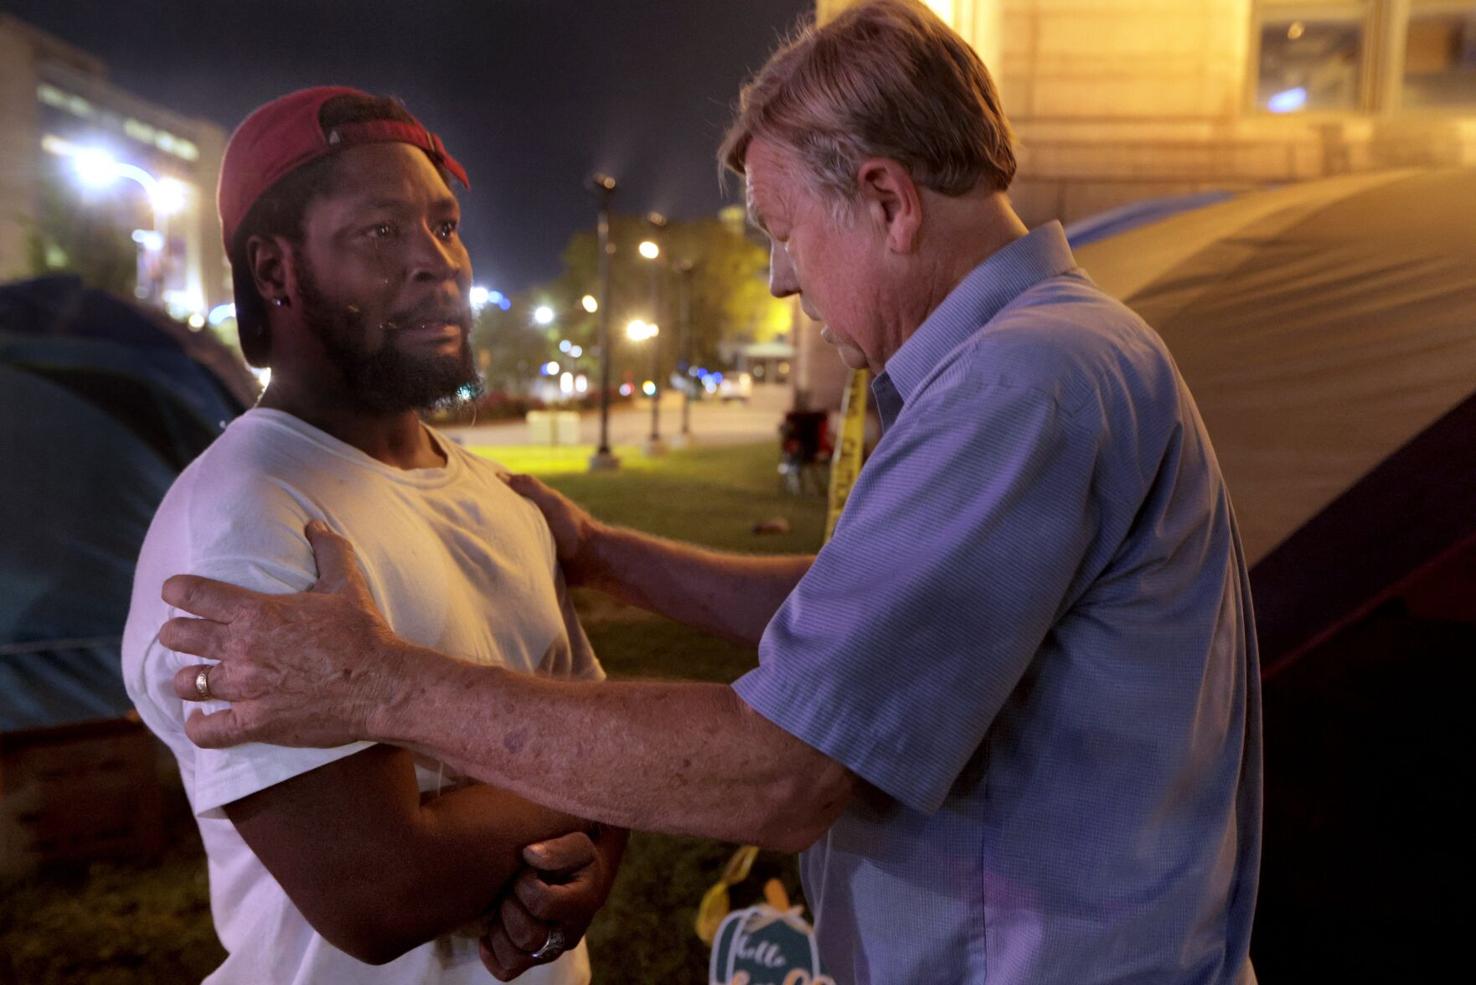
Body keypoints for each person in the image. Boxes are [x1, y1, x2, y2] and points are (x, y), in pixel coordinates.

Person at [160, 3, 1262, 982]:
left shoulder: (1021, 385)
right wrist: (602, 553)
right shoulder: (1043, 358)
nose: (782, 276)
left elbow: (777, 771)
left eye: (783, 231)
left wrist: (380, 685)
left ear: (886, 199)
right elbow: (863, 607)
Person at [121, 86, 624, 984]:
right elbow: (380, 889)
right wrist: (599, 784)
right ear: (275, 271)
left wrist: (591, 857)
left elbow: (602, 743)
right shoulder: (246, 515)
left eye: (446, 225)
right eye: (383, 233)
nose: (442, 264)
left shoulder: (504, 499)